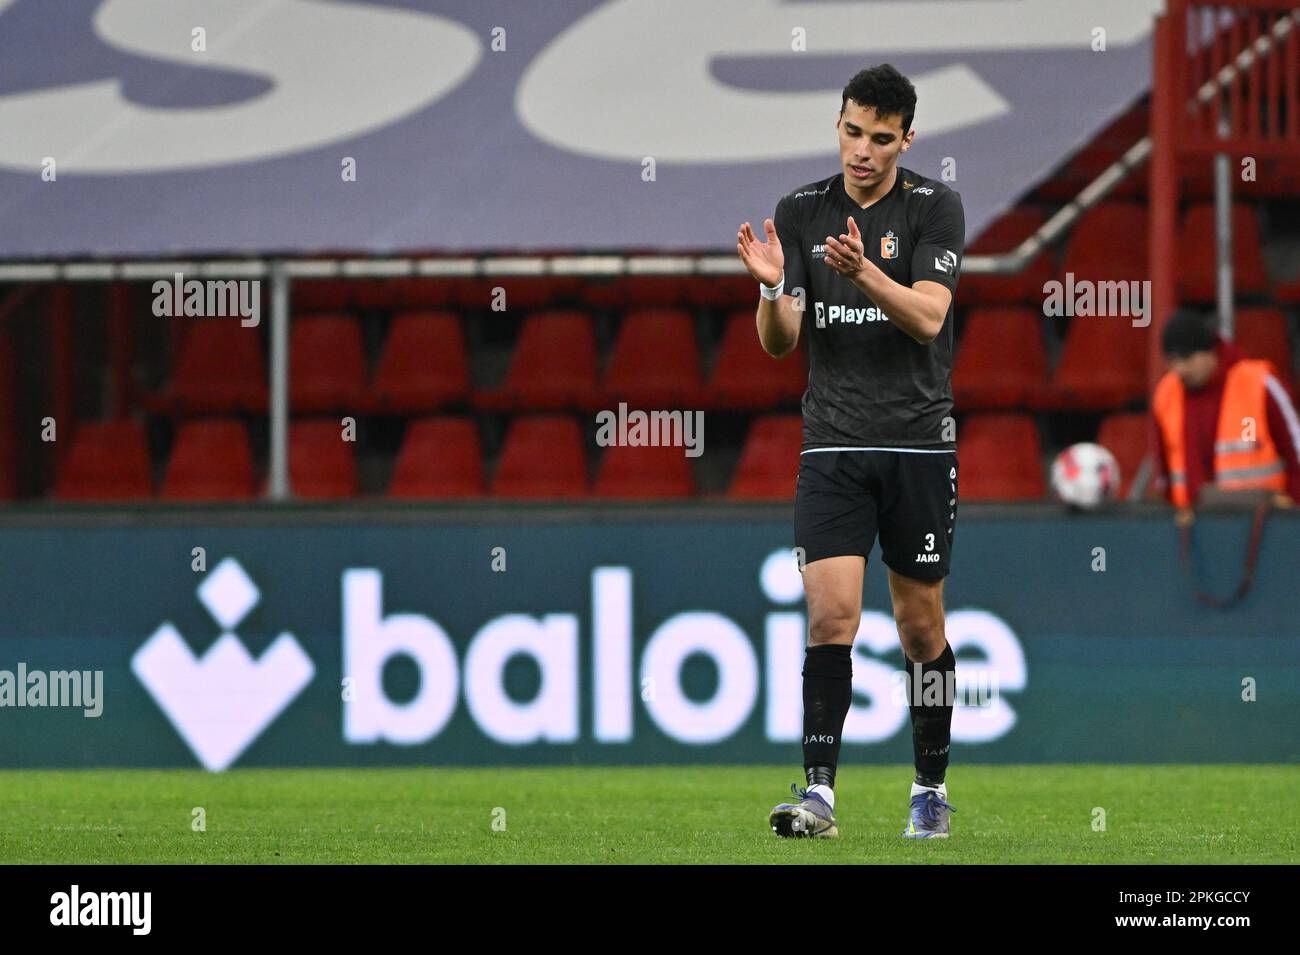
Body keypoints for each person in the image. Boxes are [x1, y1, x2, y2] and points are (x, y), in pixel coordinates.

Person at [736, 63, 965, 839]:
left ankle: (929, 785)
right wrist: (771, 290)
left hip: (917, 444)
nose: (861, 150)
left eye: (879, 137)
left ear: (906, 138)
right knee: (830, 617)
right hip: (832, 442)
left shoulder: (935, 207)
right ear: (838, 124)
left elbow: (930, 319)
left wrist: (863, 269)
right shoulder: (800, 211)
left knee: (919, 630)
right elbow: (781, 342)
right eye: (851, 131)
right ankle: (820, 796)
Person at [1152, 309, 1299, 527]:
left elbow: (1295, 454)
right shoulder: (1166, 395)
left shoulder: (1259, 384)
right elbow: (1164, 473)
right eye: (1172, 361)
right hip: (1192, 530)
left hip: (1263, 528)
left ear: (1210, 350)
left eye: (1187, 358)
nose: (1180, 369)